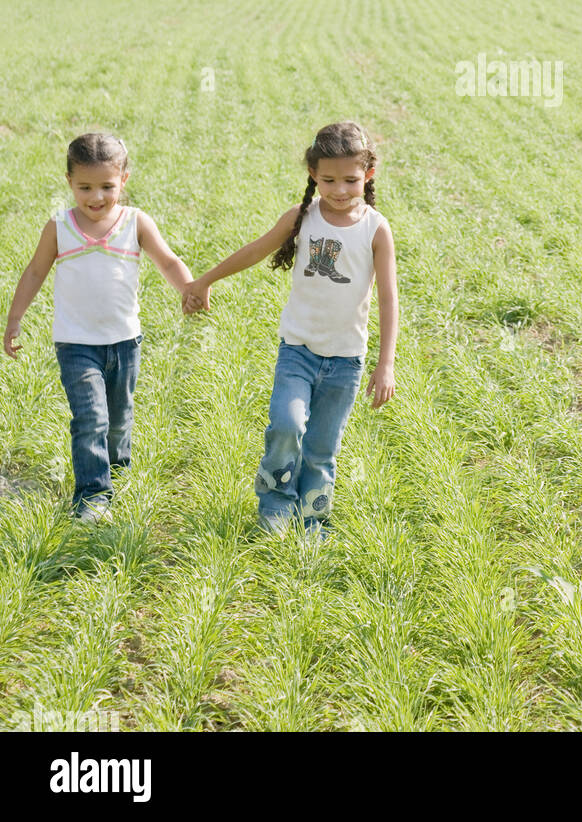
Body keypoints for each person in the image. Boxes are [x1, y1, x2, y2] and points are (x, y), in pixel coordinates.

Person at [182, 120, 397, 539]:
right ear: (313, 174)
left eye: (350, 180)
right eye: (328, 180)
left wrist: (384, 364)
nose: (339, 190)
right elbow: (254, 251)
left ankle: (312, 519)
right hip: (297, 350)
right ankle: (275, 504)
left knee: (321, 448)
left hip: (346, 361)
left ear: (368, 175)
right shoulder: (302, 218)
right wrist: (204, 280)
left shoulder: (376, 229)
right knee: (286, 424)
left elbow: (389, 299)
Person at [2, 132, 194, 521]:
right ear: (69, 181)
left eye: (107, 186)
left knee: (119, 420)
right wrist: (15, 318)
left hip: (125, 341)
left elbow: (168, 261)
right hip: (75, 343)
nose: (96, 197)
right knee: (91, 418)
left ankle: (117, 472)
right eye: (85, 187)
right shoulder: (60, 227)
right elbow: (35, 271)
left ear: (124, 179)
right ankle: (92, 496)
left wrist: (191, 289)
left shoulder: (135, 222)